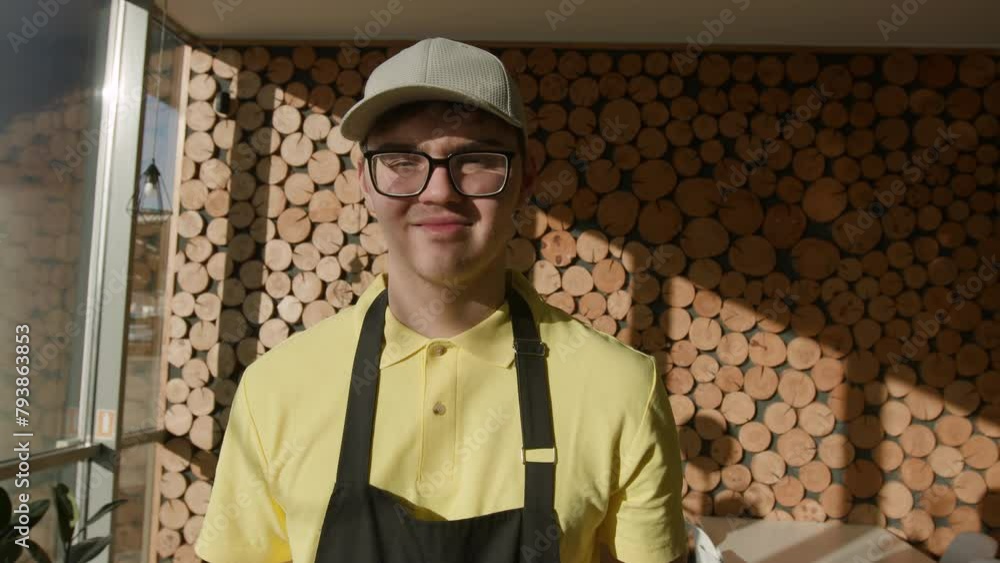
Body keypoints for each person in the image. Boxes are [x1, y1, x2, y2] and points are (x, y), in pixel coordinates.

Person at [194, 36, 687, 563]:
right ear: (366, 180)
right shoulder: (275, 389)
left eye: (474, 160)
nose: (437, 192)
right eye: (403, 160)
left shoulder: (622, 389)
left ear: (526, 176)